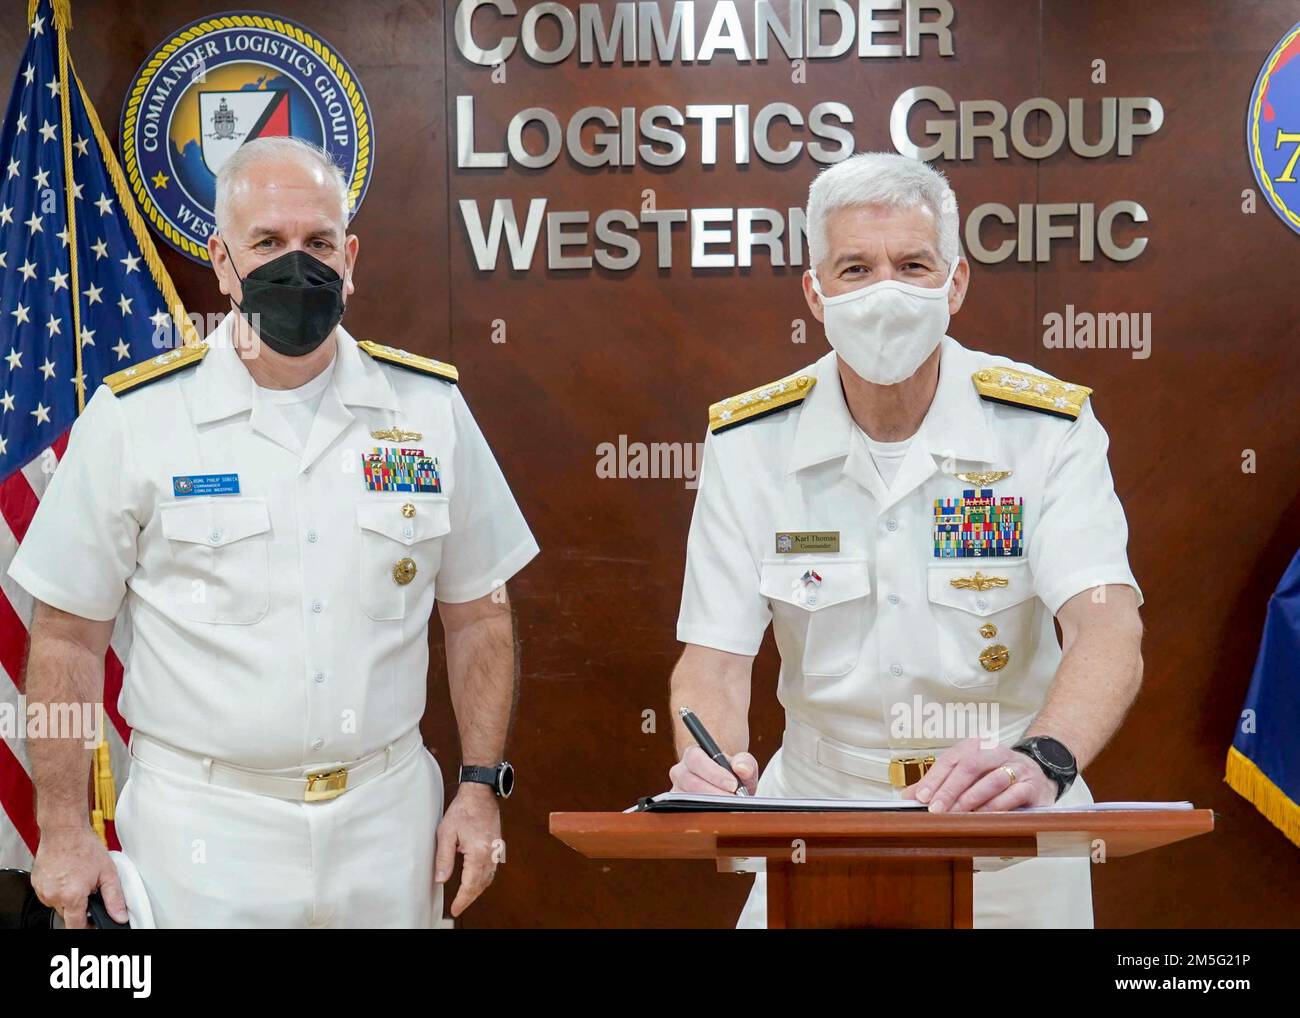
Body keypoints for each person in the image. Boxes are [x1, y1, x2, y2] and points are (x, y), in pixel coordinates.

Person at [10, 136, 538, 928]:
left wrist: (478, 785)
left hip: (388, 828)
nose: (300, 265)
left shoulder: (428, 411)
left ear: (351, 256)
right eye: (268, 243)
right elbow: (64, 641)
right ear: (222, 262)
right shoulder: (137, 419)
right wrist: (60, 827)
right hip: (202, 835)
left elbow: (480, 613)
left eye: (318, 242)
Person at [667, 152, 1144, 928]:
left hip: (1004, 813)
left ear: (954, 284)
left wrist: (1047, 760)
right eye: (854, 268)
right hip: (816, 815)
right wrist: (711, 762)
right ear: (815, 294)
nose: (885, 289)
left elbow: (1106, 625)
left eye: (912, 264)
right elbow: (713, 659)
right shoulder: (750, 441)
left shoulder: (1044, 429)